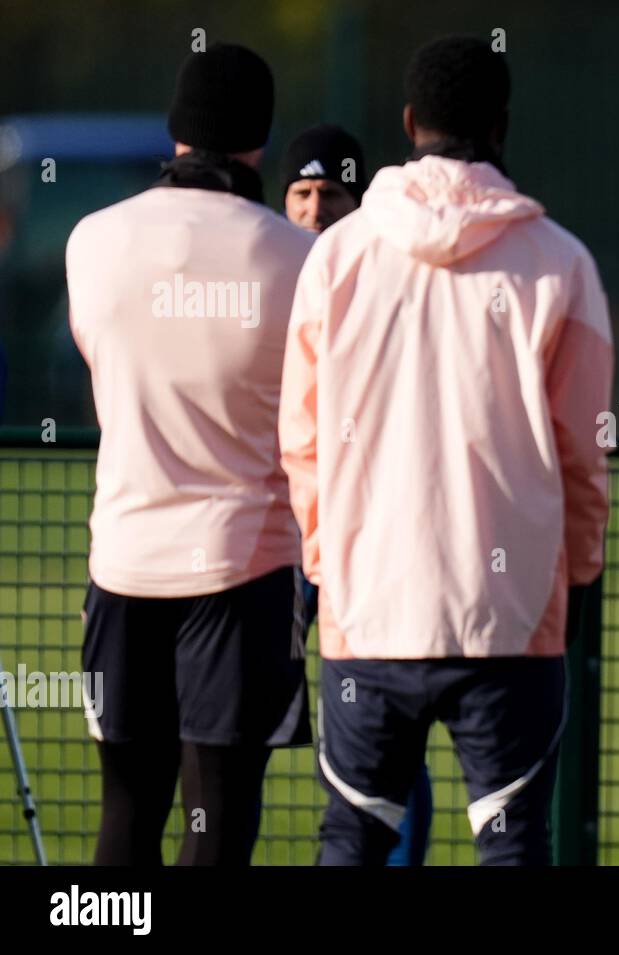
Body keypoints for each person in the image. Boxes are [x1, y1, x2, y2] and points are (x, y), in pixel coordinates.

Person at [280, 35, 612, 865]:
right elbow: (581, 457)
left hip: (369, 609)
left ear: (407, 123)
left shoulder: (337, 258)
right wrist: (571, 578)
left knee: (351, 840)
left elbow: (303, 440)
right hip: (508, 617)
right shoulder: (561, 263)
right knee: (513, 844)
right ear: (501, 127)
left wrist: (328, 562)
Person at [66, 43, 314, 865]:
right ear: (260, 141)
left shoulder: (92, 239)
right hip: (245, 567)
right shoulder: (299, 257)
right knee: (219, 821)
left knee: (125, 813)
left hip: (123, 561)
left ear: (176, 128)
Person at [279, 121, 433, 866]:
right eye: (301, 193)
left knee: (391, 732)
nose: (315, 209)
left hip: (365, 540)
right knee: (239, 732)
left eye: (331, 193)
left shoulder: (387, 276)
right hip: (273, 539)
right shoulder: (260, 278)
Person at [282, 124, 367, 232]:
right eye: (303, 193)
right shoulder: (265, 241)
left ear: (358, 202)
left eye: (329, 194)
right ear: (286, 200)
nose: (315, 211)